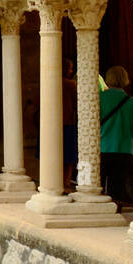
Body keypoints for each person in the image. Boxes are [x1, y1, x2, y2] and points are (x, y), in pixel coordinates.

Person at [99, 65, 133, 210]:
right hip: (124, 149)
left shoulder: (98, 98)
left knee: (96, 185)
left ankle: (98, 211)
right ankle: (114, 209)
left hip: (101, 147)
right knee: (116, 187)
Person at [63, 57, 78, 191]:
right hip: (68, 123)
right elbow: (77, 103)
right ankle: (66, 183)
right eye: (70, 68)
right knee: (69, 158)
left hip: (49, 126)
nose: (71, 71)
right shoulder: (71, 85)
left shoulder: (47, 82)